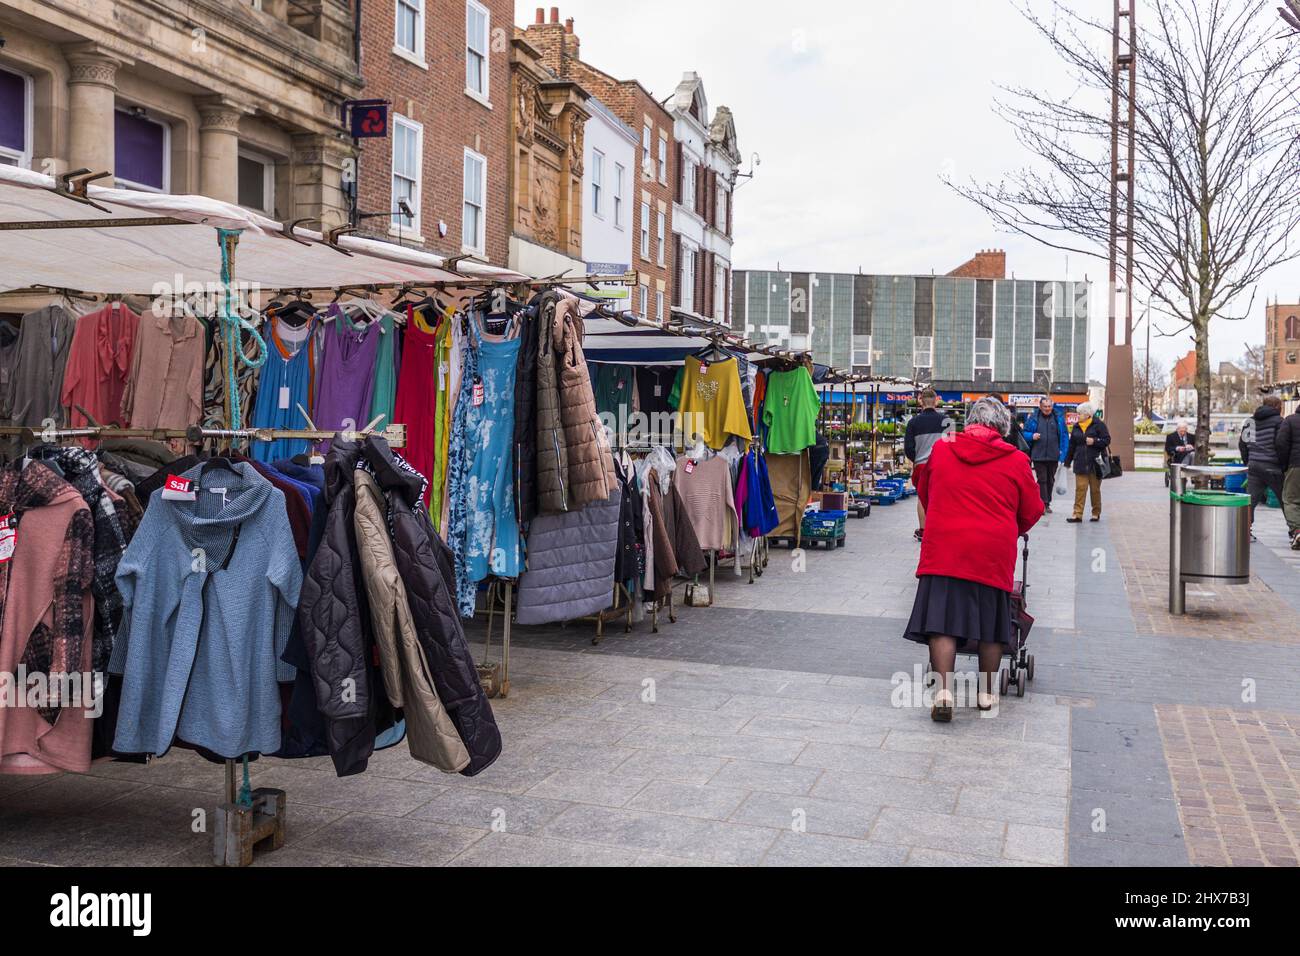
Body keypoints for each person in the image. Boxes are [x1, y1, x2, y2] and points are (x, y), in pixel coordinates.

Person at [904, 396, 1044, 720]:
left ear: (970, 422)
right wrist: (1010, 528)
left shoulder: (942, 448)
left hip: (945, 549)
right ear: (1003, 428)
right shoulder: (1016, 459)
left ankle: (943, 691)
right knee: (992, 625)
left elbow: (926, 492)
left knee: (941, 621)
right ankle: (984, 694)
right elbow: (1033, 509)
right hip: (991, 553)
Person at [903, 388, 950, 543]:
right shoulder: (947, 421)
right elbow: (953, 445)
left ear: (920, 401)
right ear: (936, 400)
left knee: (922, 498)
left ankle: (923, 530)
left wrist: (917, 459)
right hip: (941, 465)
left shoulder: (913, 423)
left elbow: (908, 448)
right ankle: (939, 528)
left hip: (921, 466)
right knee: (940, 497)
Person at [1241, 395, 1285, 533]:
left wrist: (1248, 461)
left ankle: (1244, 530)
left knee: (1250, 501)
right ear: (1277, 407)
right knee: (1286, 500)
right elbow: (1281, 444)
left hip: (1254, 465)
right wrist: (1283, 465)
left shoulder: (1250, 421)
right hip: (1273, 466)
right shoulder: (1279, 421)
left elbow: (1242, 444)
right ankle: (1295, 531)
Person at [1064, 402, 1110, 523]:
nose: (1077, 415)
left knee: (1095, 490)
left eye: (1080, 413)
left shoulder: (1098, 425)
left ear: (1087, 414)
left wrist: (1094, 441)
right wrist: (1067, 462)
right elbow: (1072, 445)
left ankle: (1096, 513)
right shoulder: (1076, 427)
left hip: (1095, 463)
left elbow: (1107, 440)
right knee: (1080, 489)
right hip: (1080, 463)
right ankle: (1077, 514)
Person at [1025, 395, 1068, 512]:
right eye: (1045, 406)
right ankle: (1042, 504)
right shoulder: (1033, 418)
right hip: (1038, 454)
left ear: (1052, 406)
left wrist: (1063, 453)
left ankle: (1047, 502)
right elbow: (1024, 433)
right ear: (1040, 406)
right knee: (1042, 479)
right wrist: (1031, 436)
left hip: (1054, 454)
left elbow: (1064, 436)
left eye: (1049, 406)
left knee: (1050, 479)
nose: (1047, 409)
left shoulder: (1058, 418)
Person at [1275, 402, 1300, 550]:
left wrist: (1284, 465)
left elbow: (1281, 444)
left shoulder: (1290, 420)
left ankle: (1297, 530)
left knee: (1291, 500)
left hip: (1296, 465)